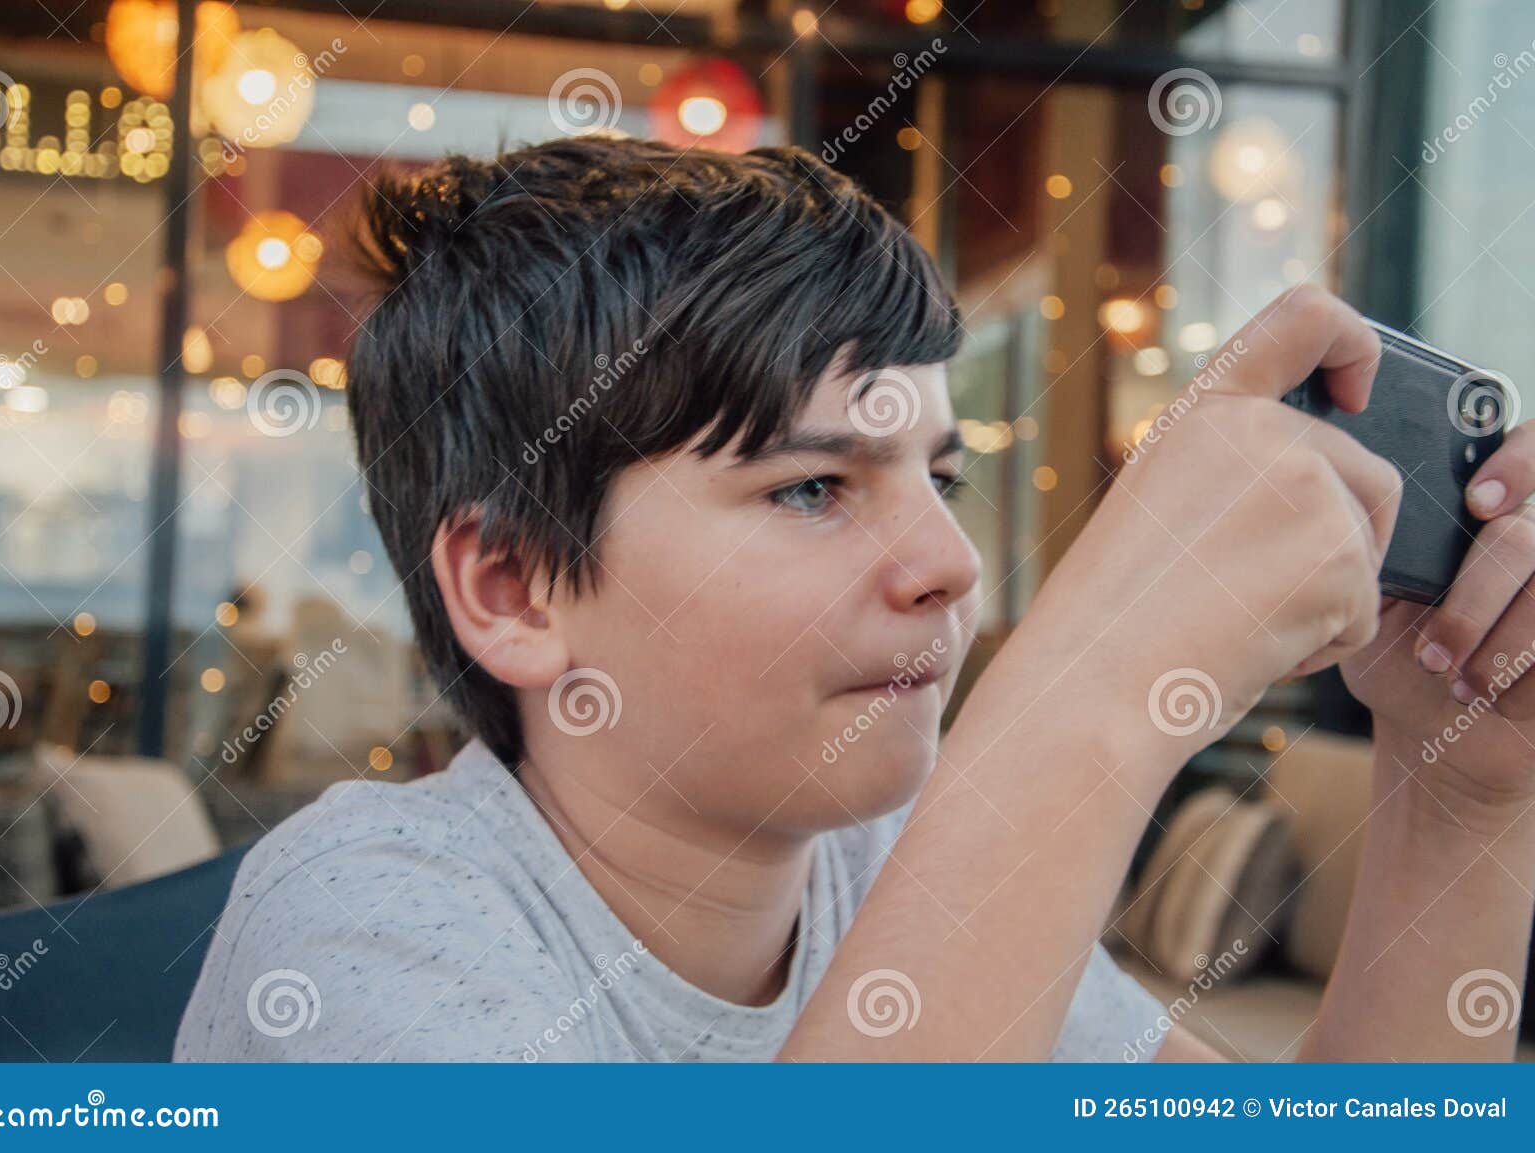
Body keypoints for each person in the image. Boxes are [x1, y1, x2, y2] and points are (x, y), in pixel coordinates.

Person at [176, 137, 1535, 1061]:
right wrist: (1093, 699)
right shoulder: (369, 922)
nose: (949, 559)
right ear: (513, 586)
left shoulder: (864, 863)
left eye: (937, 471)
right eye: (814, 487)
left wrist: (1463, 788)